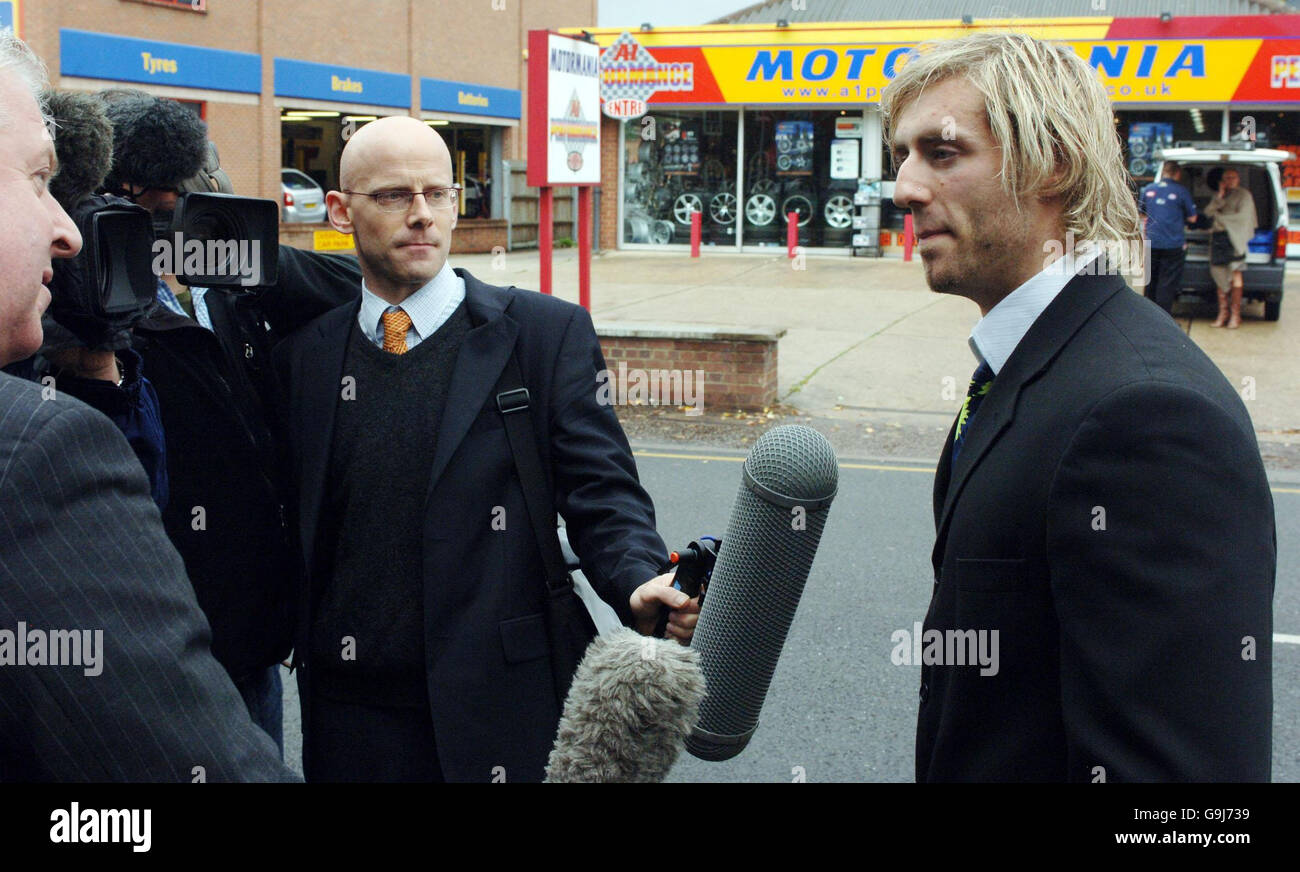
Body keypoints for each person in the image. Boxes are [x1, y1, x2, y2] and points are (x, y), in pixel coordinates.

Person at [884, 32, 1274, 782]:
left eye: (941, 153)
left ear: (1051, 164)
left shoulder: (1144, 417)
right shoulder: (1032, 361)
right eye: (901, 156)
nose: (903, 188)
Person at [272, 116, 697, 783]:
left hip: (501, 705)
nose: (421, 215)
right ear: (339, 210)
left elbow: (603, 492)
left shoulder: (542, 335)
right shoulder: (305, 358)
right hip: (349, 719)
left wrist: (639, 579)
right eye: (392, 196)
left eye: (438, 194)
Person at [0, 31, 296, 782]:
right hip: (157, 637)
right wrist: (91, 357)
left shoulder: (221, 276)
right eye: (142, 213)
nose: (162, 235)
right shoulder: (40, 428)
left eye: (176, 209)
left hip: (247, 630)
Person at [1138, 160, 1197, 315]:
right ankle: (1163, 319)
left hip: (1152, 243)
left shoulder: (1149, 189)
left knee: (1151, 282)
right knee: (1166, 283)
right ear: (1178, 174)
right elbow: (1193, 219)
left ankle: (1148, 316)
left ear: (1162, 171)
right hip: (1173, 245)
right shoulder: (1181, 191)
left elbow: (1141, 213)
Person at [1203, 167, 1258, 329]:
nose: (1230, 180)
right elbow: (1208, 212)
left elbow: (1242, 219)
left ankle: (1235, 315)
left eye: (1233, 177)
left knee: (1235, 275)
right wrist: (1219, 197)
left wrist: (1219, 219)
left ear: (1238, 179)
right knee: (1219, 274)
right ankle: (1223, 314)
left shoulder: (1244, 195)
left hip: (1236, 241)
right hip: (1219, 242)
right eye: (1226, 178)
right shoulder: (1220, 195)